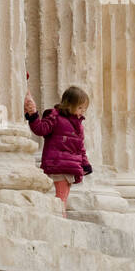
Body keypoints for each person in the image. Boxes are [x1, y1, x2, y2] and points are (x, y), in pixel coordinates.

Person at [24, 85, 92, 217]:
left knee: (63, 197)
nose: (82, 112)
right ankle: (60, 217)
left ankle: (60, 215)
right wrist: (33, 116)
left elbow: (80, 147)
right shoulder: (55, 117)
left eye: (84, 109)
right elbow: (40, 129)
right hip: (58, 164)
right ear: (69, 104)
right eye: (79, 108)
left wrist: (85, 163)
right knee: (61, 197)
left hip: (70, 166)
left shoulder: (78, 125)